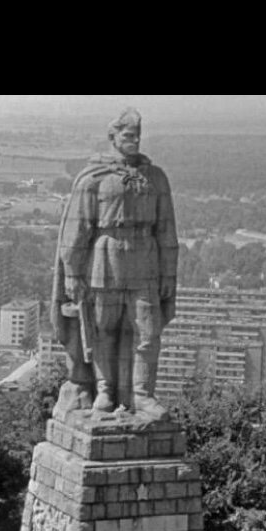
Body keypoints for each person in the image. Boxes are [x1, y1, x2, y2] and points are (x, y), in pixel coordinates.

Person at [51, 108, 179, 420]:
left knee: (146, 333)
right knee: (102, 330)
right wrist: (72, 272)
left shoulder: (155, 178)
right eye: (128, 135)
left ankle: (141, 394)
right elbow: (76, 228)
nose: (134, 141)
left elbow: (166, 229)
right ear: (113, 137)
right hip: (103, 260)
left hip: (145, 260)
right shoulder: (94, 178)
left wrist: (168, 273)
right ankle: (105, 389)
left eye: (137, 135)